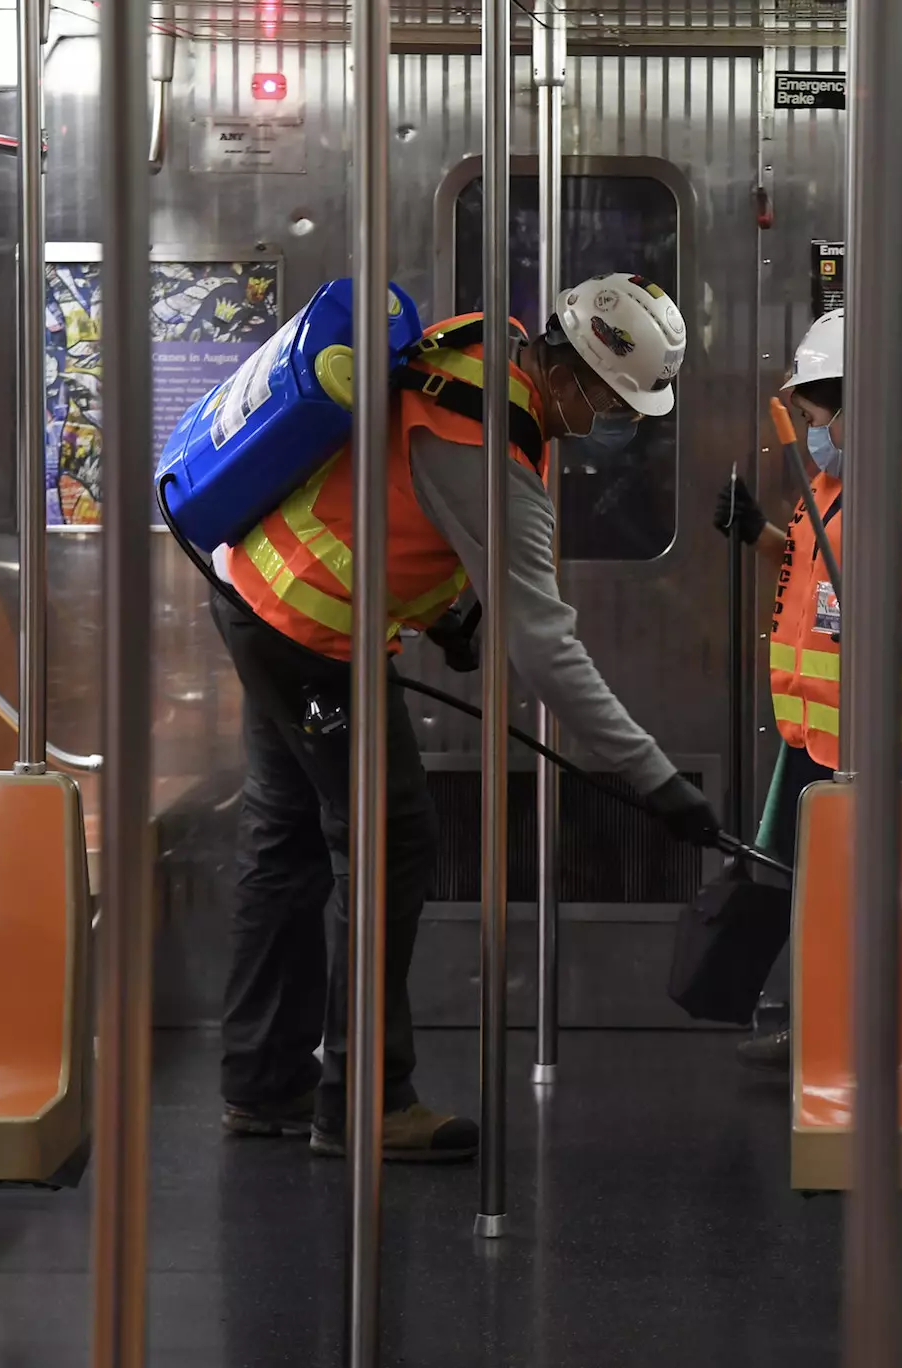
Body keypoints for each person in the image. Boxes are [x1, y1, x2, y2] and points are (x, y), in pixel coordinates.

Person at [213, 273, 719, 1159]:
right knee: (390, 843)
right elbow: (546, 649)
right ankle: (367, 1102)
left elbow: (391, 491)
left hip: (264, 593)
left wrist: (445, 614)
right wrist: (655, 779)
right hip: (313, 634)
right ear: (571, 373)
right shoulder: (490, 448)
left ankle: (263, 1084)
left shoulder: (483, 350)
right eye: (614, 401)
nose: (622, 421)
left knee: (286, 843)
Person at [713, 309, 902, 1068]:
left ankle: (898, 1047)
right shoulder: (830, 482)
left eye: (812, 413)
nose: (808, 429)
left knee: (888, 906)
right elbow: (810, 575)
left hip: (897, 743)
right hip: (823, 736)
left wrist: (889, 641)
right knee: (824, 897)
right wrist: (757, 533)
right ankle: (825, 1033)